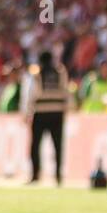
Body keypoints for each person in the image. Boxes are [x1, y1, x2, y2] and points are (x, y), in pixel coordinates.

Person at [23, 50, 69, 185]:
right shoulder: (60, 72)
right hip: (57, 112)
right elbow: (66, 91)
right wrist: (65, 109)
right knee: (58, 145)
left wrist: (27, 113)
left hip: (40, 112)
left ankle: (35, 175)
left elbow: (31, 94)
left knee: (35, 145)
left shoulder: (36, 74)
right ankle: (58, 175)